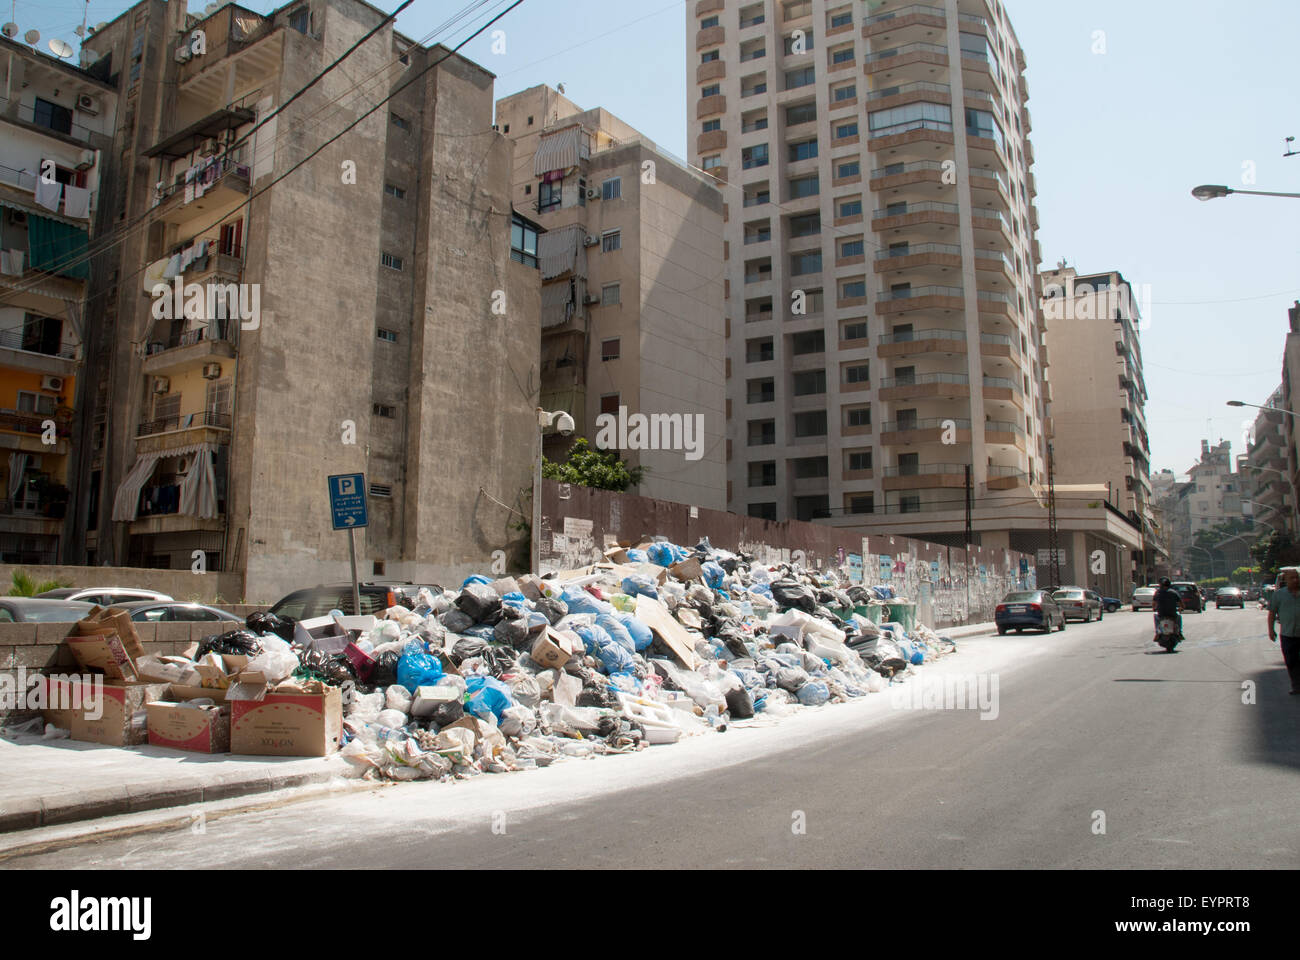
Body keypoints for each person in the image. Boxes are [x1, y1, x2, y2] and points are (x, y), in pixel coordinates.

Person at [1266, 568, 1300, 695]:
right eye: (1292, 578)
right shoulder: (1279, 595)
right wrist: (1271, 630)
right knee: (1291, 661)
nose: (1295, 580)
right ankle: (1296, 685)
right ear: (1286, 580)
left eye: (1297, 577)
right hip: (1287, 634)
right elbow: (1272, 613)